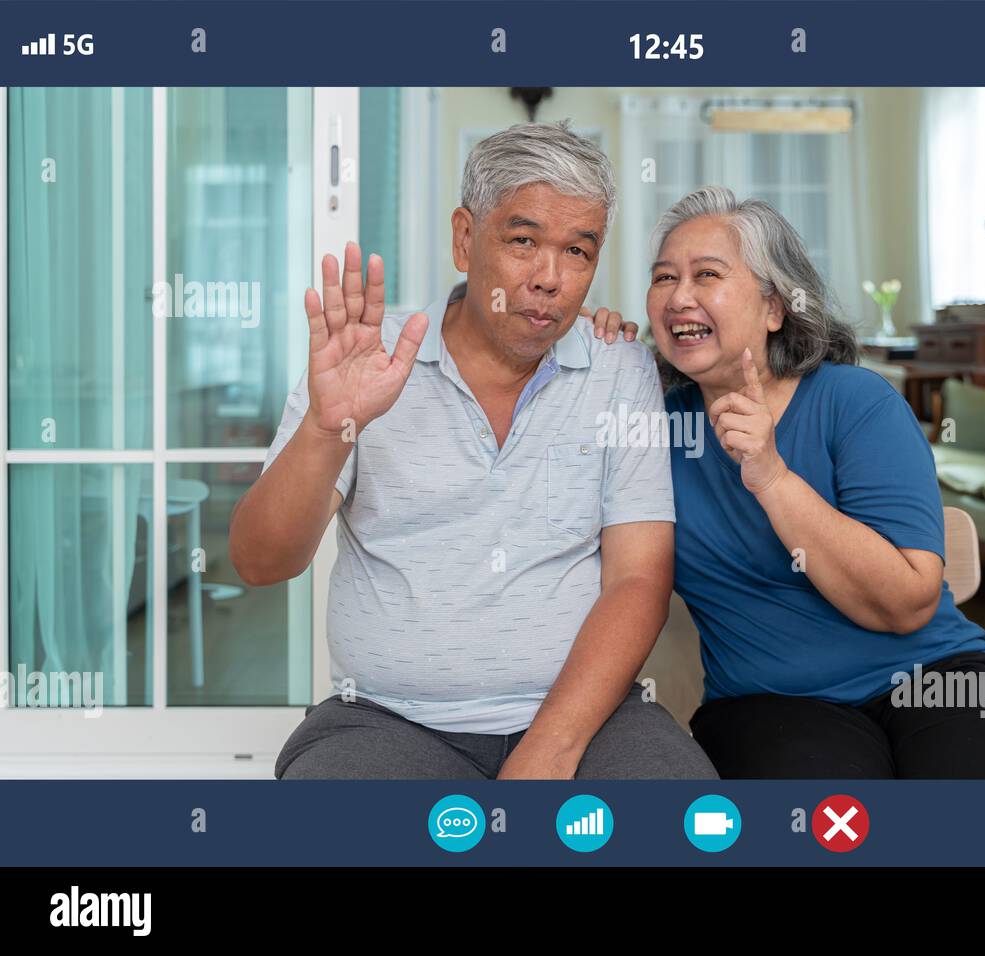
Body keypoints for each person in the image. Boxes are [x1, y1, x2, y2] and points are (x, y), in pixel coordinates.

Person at [229, 121, 716, 781]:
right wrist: (326, 428)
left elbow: (638, 579)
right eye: (523, 241)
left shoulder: (618, 366)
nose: (550, 278)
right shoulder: (370, 356)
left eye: (579, 251)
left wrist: (550, 748)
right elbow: (261, 562)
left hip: (587, 715)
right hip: (386, 718)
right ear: (464, 237)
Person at [633, 185, 985, 779]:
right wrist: (578, 352)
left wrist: (771, 475)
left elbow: (910, 604)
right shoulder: (648, 429)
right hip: (772, 706)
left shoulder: (856, 403)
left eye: (707, 274)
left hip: (935, 676)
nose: (680, 297)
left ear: (774, 308)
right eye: (663, 278)